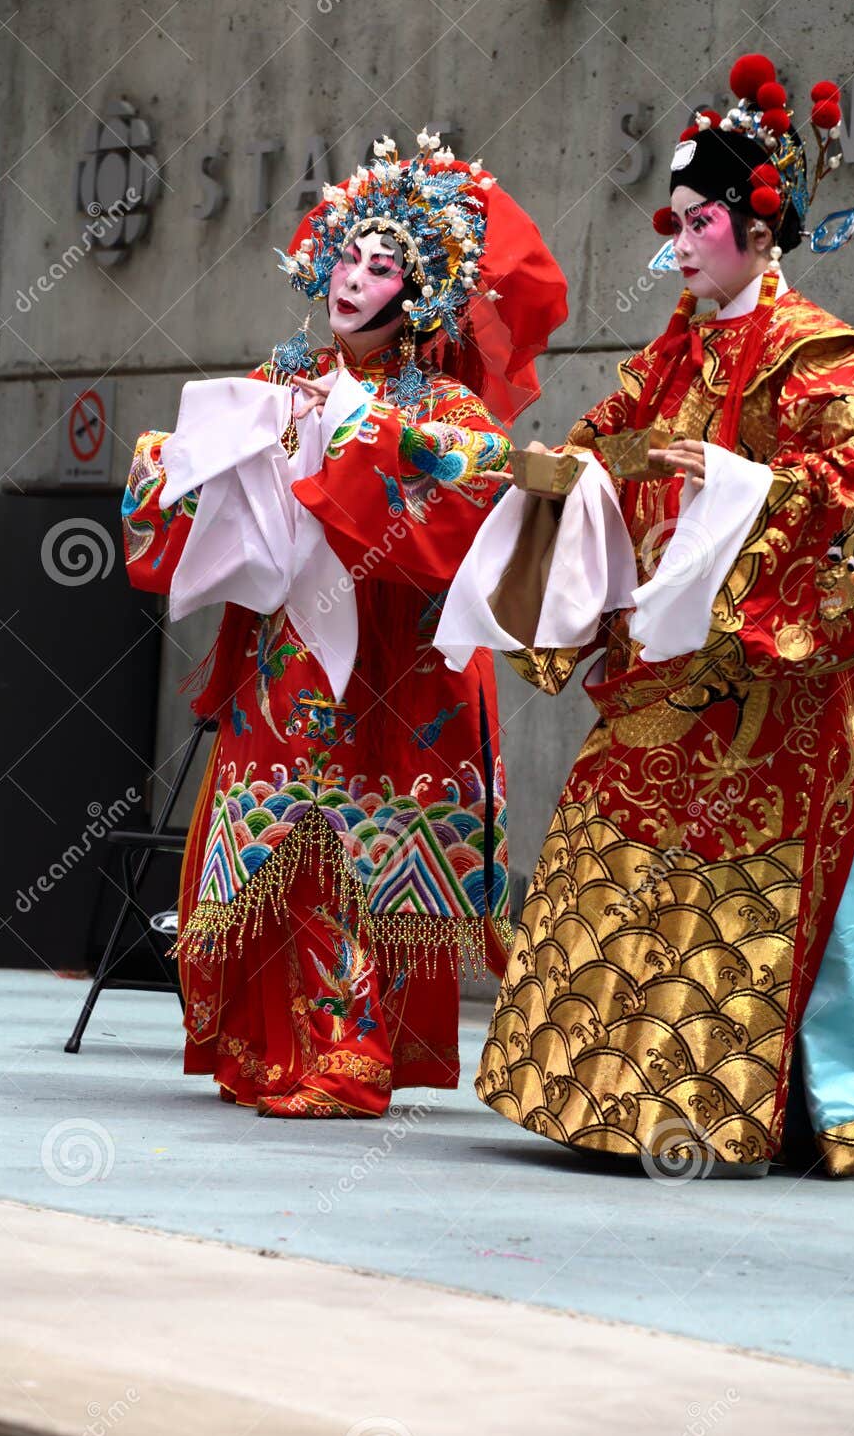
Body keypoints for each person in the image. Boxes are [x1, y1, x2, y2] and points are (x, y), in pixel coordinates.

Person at [437, 55, 854, 1177]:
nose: (678, 246)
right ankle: (602, 1094)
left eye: (699, 223)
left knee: (731, 879)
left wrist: (741, 491)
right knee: (610, 830)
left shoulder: (816, 351)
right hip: (661, 659)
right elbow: (605, 443)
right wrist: (551, 475)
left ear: (758, 226)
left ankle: (730, 1107)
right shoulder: (673, 351)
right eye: (673, 223)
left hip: (755, 682)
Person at [122, 131, 566, 1117]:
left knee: (359, 847)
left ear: (421, 291)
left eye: (381, 265)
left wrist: (354, 433)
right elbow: (192, 485)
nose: (354, 278)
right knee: (280, 835)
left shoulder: (447, 404)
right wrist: (183, 456)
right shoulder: (278, 381)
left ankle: (350, 1048)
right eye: (348, 257)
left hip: (392, 666)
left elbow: (465, 493)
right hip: (283, 657)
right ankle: (264, 1040)